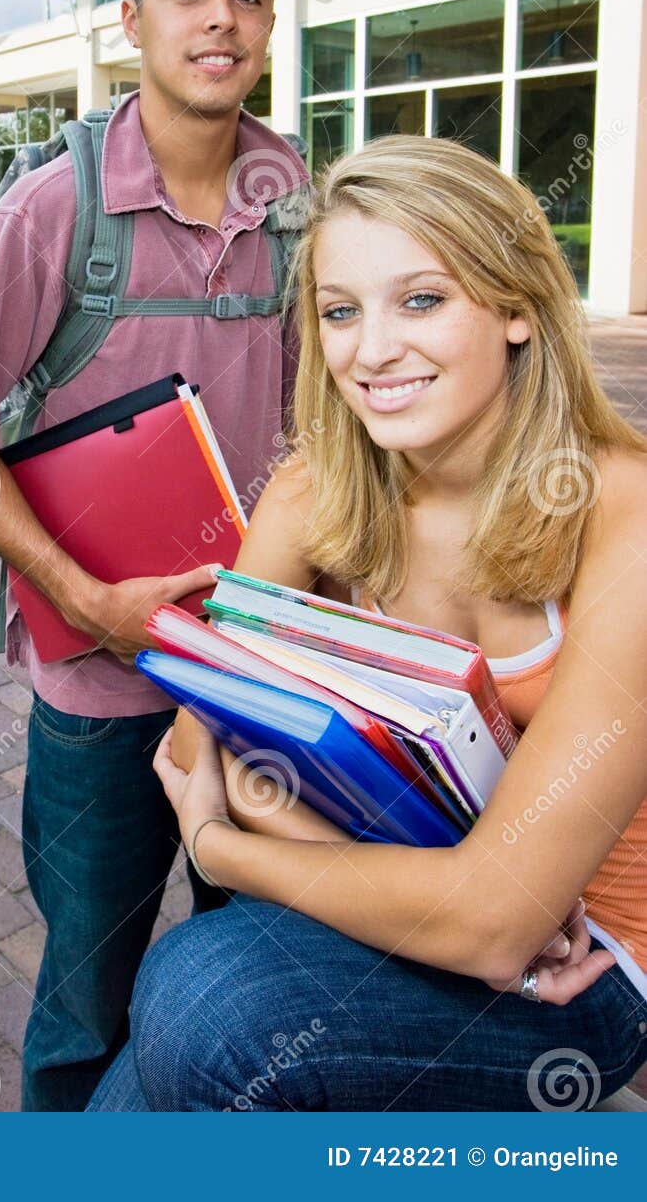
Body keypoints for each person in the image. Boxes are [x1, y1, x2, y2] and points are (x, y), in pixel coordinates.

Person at [88, 134, 647, 1113]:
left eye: (420, 299)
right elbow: (196, 753)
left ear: (515, 308)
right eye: (339, 311)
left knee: (198, 1002)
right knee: (172, 1051)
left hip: (588, 967)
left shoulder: (621, 514)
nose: (370, 349)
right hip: (420, 906)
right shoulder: (314, 489)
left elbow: (493, 926)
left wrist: (220, 851)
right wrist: (466, 893)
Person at [0, 0, 309, 1111]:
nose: (218, 20)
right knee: (87, 999)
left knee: (256, 987)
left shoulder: (297, 198)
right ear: (131, 19)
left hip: (259, 676)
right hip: (101, 688)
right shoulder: (50, 211)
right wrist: (86, 597)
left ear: (269, 21)